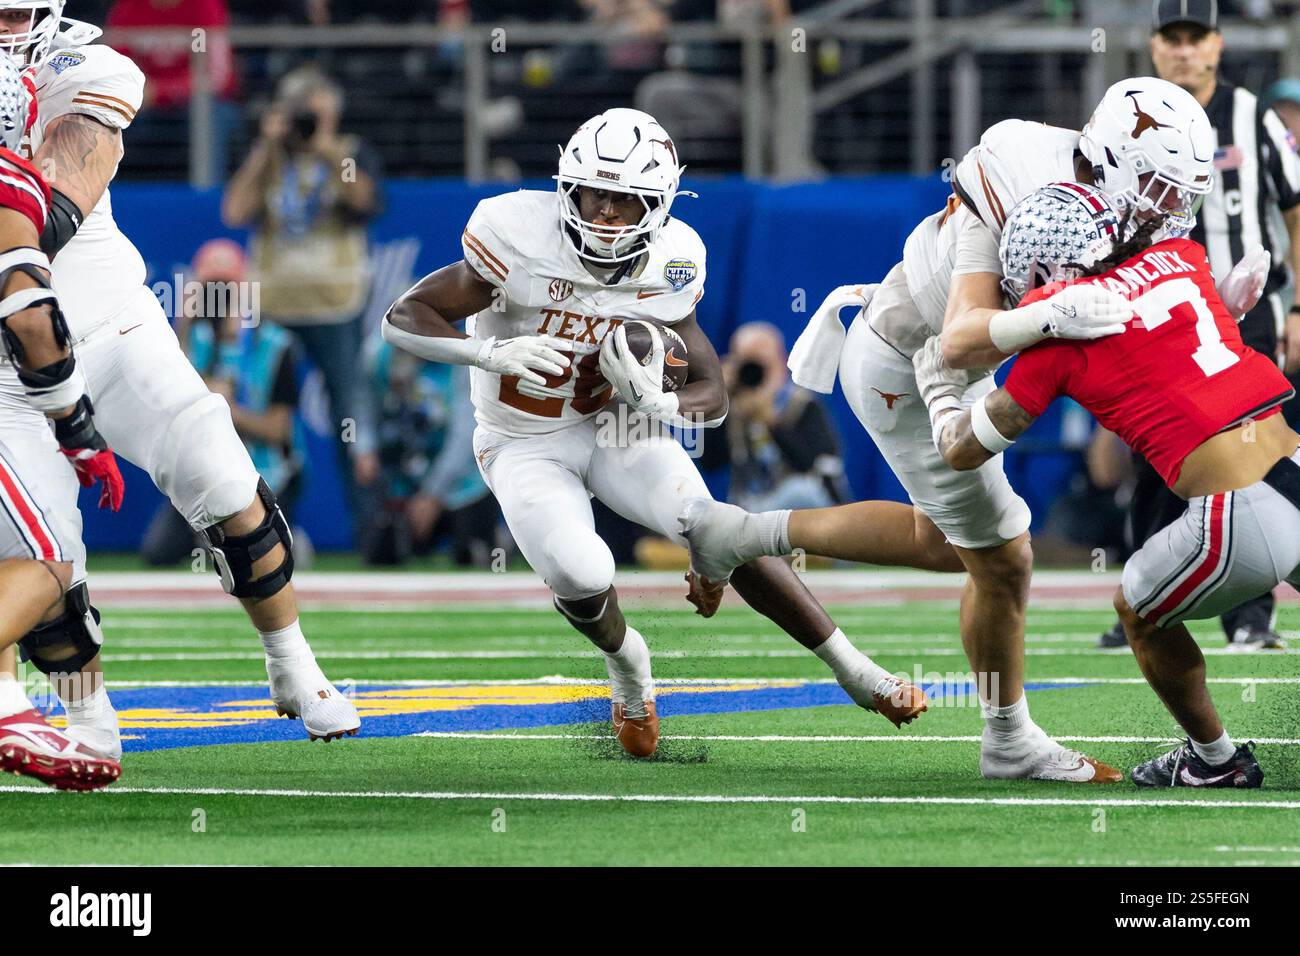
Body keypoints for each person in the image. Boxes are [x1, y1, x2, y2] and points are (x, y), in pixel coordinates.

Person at [680, 77, 1236, 783]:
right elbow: (963, 337)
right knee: (1002, 559)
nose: (1172, 208)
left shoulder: (1130, 216)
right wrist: (1047, 319)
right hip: (908, 361)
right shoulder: (1017, 167)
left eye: (1183, 192)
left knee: (947, 546)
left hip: (954, 362)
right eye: (1159, 187)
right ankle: (1009, 739)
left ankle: (743, 535)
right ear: (1113, 159)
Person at [383, 108, 927, 759]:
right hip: (523, 438)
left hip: (620, 426)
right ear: (568, 187)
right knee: (584, 571)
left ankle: (856, 670)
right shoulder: (515, 234)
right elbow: (402, 315)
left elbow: (714, 398)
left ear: (659, 206)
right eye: (596, 194)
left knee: (716, 525)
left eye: (627, 199)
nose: (607, 212)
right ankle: (629, 667)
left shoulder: (673, 261)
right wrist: (488, 355)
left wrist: (656, 396)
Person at [0, 1, 359, 755]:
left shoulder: (89, 67)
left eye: (15, 14)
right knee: (46, 562)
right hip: (9, 369)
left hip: (111, 328)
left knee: (217, 465)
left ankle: (293, 662)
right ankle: (90, 726)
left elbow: (58, 208)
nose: (5, 29)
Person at [920, 180, 1294, 788]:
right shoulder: (1184, 258)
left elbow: (963, 450)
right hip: (1292, 462)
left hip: (1239, 512)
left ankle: (1216, 761)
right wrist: (1228, 306)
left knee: (1136, 611)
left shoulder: (1061, 339)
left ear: (1044, 266)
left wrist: (939, 391)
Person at [1094, 0, 1300, 650]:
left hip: (1246, 319)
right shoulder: (1124, 114)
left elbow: (1296, 211)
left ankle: (1250, 614)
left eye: (1196, 37)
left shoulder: (1252, 116)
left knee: (1251, 456)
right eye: (1172, 38)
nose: (1184, 51)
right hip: (1157, 324)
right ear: (1155, 46)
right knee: (1157, 457)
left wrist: (1299, 305)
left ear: (1216, 44)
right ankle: (1151, 596)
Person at [0, 51, 122, 789]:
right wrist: (79, 430)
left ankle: (12, 703)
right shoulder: (11, 179)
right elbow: (28, 310)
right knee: (48, 566)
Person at [221, 64, 384, 535]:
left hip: (335, 304)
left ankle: (369, 527)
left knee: (350, 414)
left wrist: (325, 147)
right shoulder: (269, 158)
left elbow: (365, 203)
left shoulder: (350, 153)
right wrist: (268, 145)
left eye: (316, 112)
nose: (307, 123)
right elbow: (232, 210)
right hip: (274, 305)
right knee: (265, 412)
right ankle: (261, 523)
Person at [140, 239, 307, 567]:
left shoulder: (277, 345)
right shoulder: (197, 342)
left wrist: (225, 409)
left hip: (267, 470)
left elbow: (278, 430)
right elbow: (171, 401)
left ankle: (271, 532)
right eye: (210, 287)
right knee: (158, 552)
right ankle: (218, 534)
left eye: (226, 287)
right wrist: (184, 321)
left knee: (249, 558)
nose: (219, 297)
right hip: (205, 470)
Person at [361, 343, 497, 567]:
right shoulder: (377, 353)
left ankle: (497, 538)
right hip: (404, 482)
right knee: (382, 555)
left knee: (471, 555)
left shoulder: (461, 359)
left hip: (460, 485)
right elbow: (363, 407)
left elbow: (463, 438)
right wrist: (364, 447)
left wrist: (432, 494)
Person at [722, 322, 846, 512]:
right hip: (750, 504)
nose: (756, 374)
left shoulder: (802, 404)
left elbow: (810, 467)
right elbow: (709, 462)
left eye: (762, 365)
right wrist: (720, 399)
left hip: (800, 507)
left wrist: (771, 421)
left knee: (801, 492)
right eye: (748, 365)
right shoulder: (734, 408)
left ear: (782, 362)